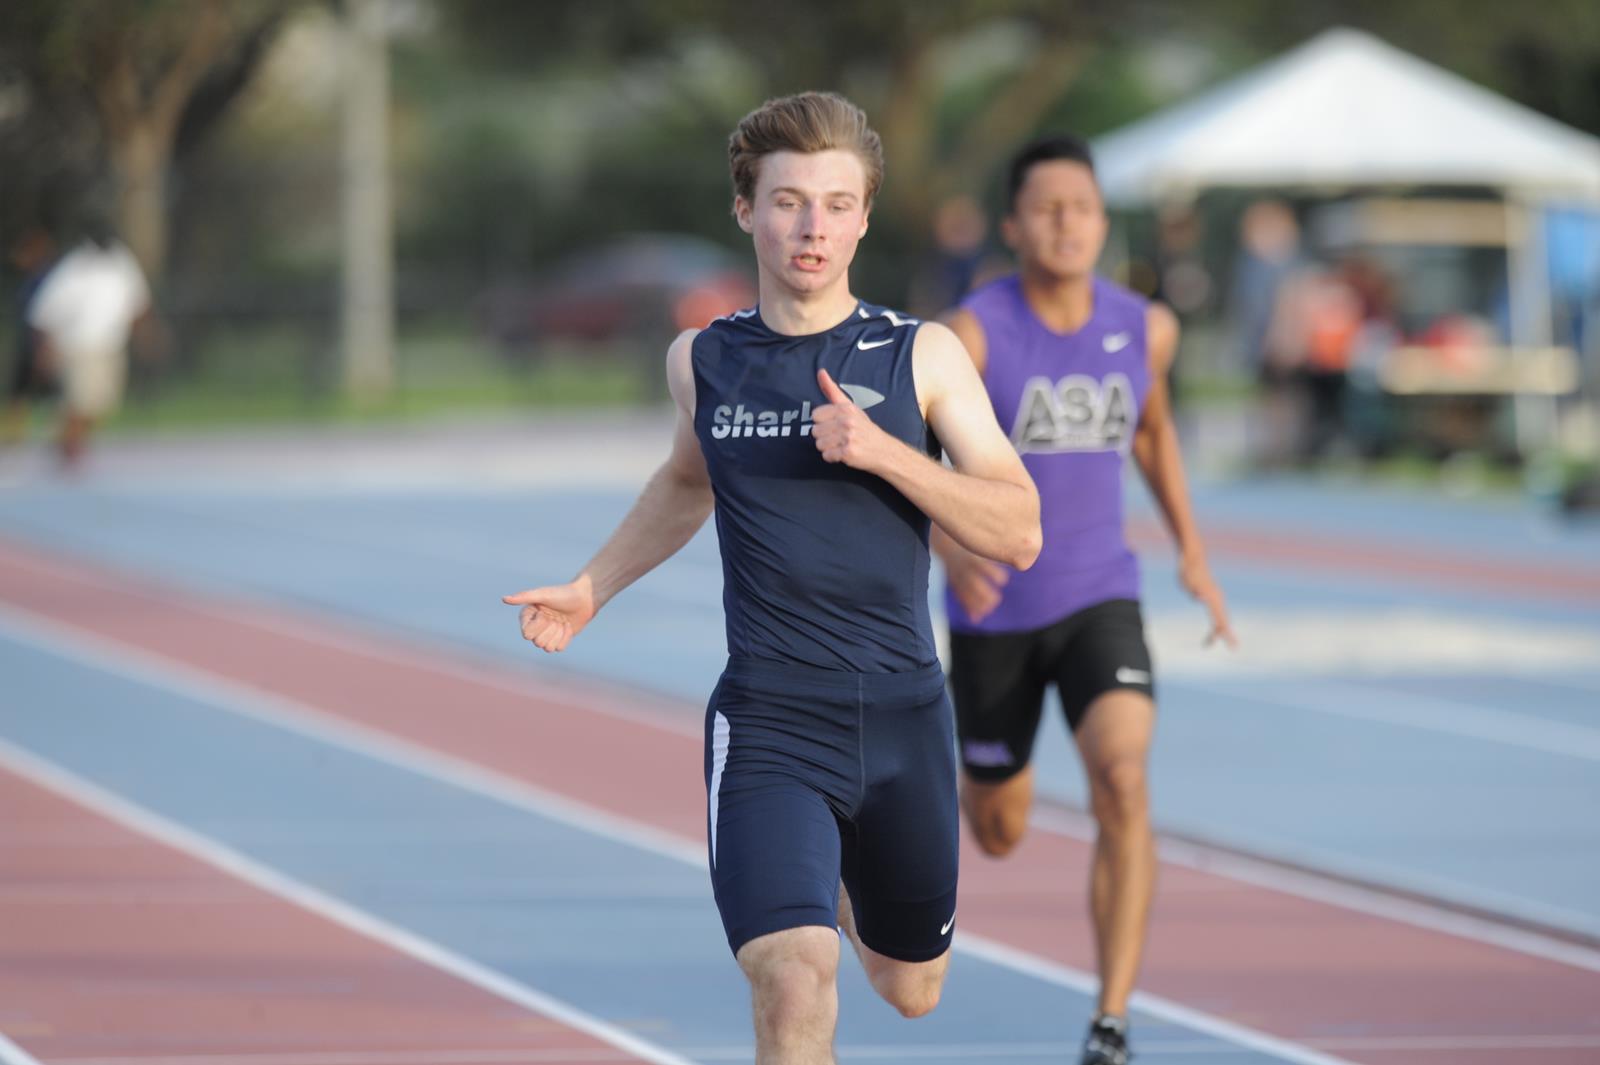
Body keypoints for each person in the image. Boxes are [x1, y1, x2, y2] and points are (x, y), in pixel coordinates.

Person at [503, 92, 1041, 1064]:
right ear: (746, 211)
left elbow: (1019, 528)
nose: (813, 227)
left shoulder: (921, 354)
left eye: (838, 204)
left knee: (911, 991)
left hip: (902, 717)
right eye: (789, 201)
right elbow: (683, 480)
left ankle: (837, 876)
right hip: (769, 723)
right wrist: (593, 585)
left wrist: (887, 455)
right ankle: (802, 879)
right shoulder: (702, 362)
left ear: (866, 216)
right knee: (795, 979)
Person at [931, 135, 1235, 1065]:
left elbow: (1151, 430)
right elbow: (915, 463)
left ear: (1105, 223)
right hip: (995, 612)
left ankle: (1110, 1022)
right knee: (999, 829)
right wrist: (949, 539)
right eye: (1049, 207)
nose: (1069, 223)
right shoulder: (970, 335)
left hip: (1103, 590)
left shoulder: (1145, 326)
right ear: (1015, 225)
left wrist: (1190, 548)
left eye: (1085, 207)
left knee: (1124, 778)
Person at [25, 223, 152, 468]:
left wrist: (146, 336)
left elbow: (138, 302)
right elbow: (44, 312)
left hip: (110, 346)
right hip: (78, 346)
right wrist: (44, 349)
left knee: (101, 403)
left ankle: (64, 438)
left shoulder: (122, 263)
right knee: (80, 400)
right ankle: (70, 451)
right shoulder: (74, 267)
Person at [3, 225, 59, 446]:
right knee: (19, 390)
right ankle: (14, 432)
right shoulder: (31, 279)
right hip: (28, 342)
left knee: (50, 390)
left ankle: (56, 433)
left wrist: (44, 347)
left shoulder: (45, 279)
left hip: (40, 343)